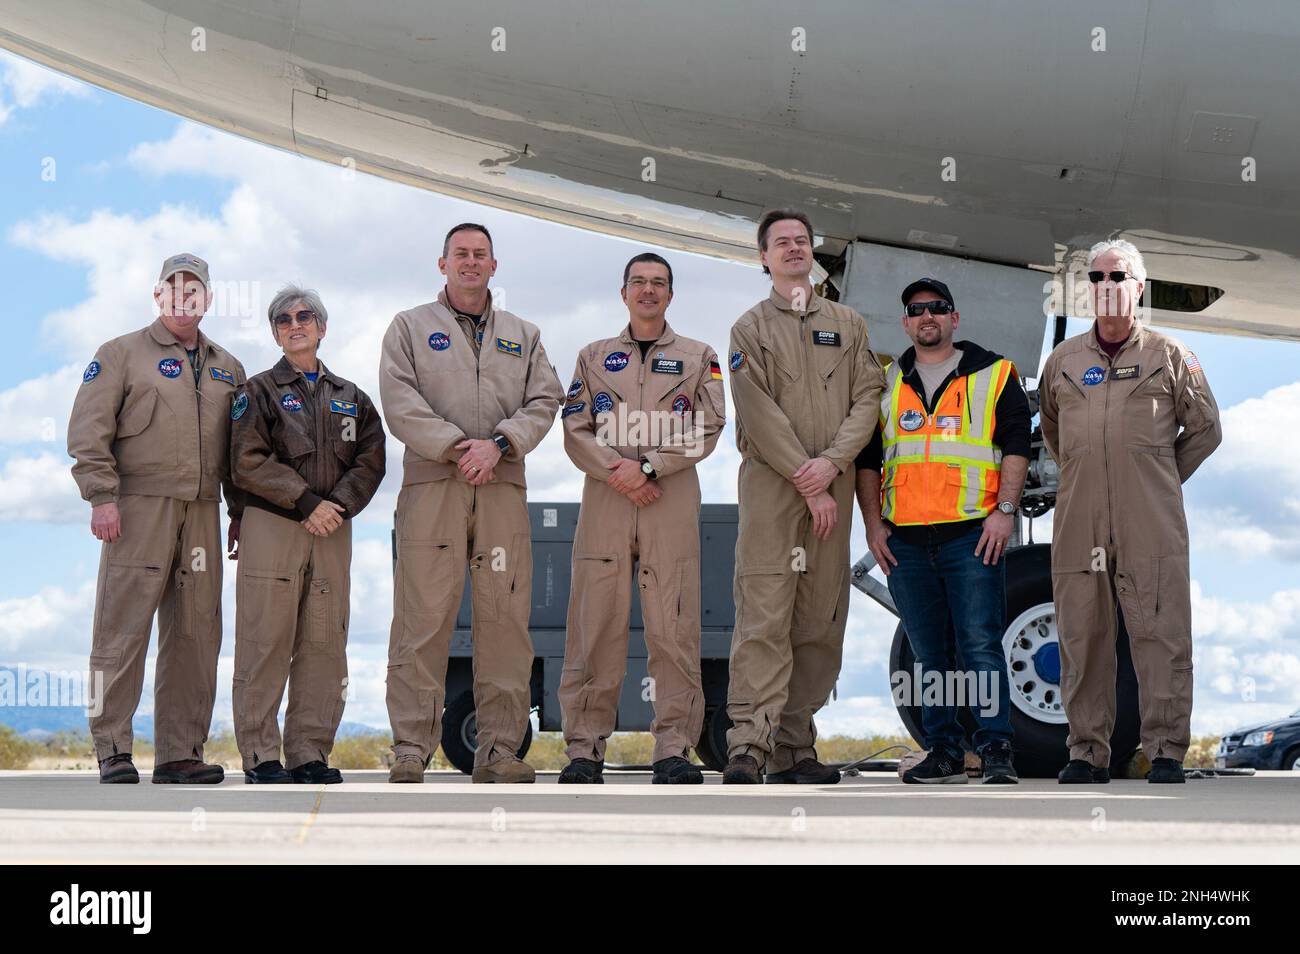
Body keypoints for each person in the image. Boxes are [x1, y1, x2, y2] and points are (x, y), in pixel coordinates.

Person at [381, 223, 564, 783]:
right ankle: (411, 747)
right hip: (433, 484)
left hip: (501, 485)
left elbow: (546, 397)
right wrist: (458, 447)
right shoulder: (409, 327)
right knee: (423, 617)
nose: (470, 262)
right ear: (442, 264)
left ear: (493, 265)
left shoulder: (524, 334)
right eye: (460, 254)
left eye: (479, 254)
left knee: (504, 620)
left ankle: (500, 751)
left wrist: (500, 444)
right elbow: (398, 399)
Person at [1039, 239, 1222, 784]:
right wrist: (1092, 476)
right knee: (1082, 636)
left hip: (1151, 520)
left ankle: (1164, 751)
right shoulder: (1064, 362)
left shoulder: (1168, 355)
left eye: (1117, 277)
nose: (1106, 286)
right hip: (1080, 520)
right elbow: (1052, 431)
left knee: (1161, 633)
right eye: (1095, 278)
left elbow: (1206, 429)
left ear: (1139, 287)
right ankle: (1085, 752)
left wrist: (1156, 478)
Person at [68, 253, 244, 784]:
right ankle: (113, 749)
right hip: (136, 507)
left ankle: (179, 752)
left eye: (194, 290)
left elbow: (239, 449)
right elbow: (88, 431)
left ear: (208, 300)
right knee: (122, 630)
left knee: (196, 634)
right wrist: (101, 495)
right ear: (157, 295)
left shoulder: (228, 367)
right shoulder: (119, 354)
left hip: (204, 512)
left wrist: (238, 510)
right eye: (174, 288)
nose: (183, 297)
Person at [723, 209, 885, 784]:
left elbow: (869, 398)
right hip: (774, 488)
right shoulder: (749, 329)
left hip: (832, 487)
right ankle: (749, 744)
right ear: (762, 257)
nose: (794, 249)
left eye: (802, 241)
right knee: (764, 615)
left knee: (820, 618)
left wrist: (832, 465)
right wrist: (805, 475)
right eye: (781, 243)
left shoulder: (848, 323)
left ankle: (795, 747)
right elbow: (757, 412)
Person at [557, 252, 726, 784]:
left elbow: (710, 424)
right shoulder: (593, 355)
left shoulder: (700, 356)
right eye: (639, 283)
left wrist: (650, 467)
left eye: (659, 284)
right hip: (606, 498)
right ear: (623, 292)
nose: (648, 291)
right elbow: (574, 427)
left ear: (671, 295)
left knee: (673, 627)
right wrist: (619, 471)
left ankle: (674, 749)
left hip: (669, 498)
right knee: (594, 626)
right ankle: (584, 751)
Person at [856, 278, 1031, 784]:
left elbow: (1017, 443)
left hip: (971, 534)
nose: (926, 316)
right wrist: (872, 525)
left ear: (955, 318)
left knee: (979, 645)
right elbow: (869, 460)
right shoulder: (886, 381)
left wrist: (1006, 510)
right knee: (928, 651)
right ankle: (943, 749)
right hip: (904, 539)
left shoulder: (995, 374)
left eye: (937, 308)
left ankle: (996, 748)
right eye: (916, 310)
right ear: (906, 322)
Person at [229, 286, 386, 784]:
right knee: (265, 639)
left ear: (322, 326)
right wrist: (305, 502)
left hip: (333, 528)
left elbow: (371, 459)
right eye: (283, 319)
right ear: (274, 332)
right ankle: (260, 756)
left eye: (305, 316)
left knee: (324, 643)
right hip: (275, 524)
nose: (294, 324)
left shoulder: (352, 397)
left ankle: (309, 753)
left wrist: (336, 506)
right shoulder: (256, 392)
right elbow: (245, 461)